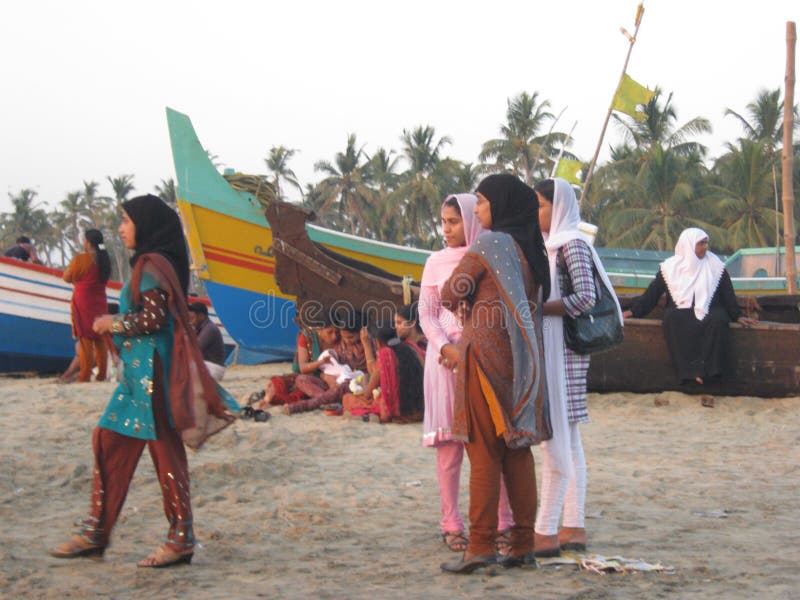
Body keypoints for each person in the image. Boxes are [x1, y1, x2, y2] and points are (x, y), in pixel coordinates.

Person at [50, 194, 236, 568]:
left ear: (145, 226)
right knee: (115, 440)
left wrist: (110, 323)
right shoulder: (154, 263)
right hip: (142, 375)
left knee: (157, 448)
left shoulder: (151, 266)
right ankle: (100, 531)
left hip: (152, 373)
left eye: (125, 221)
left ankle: (172, 537)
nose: (120, 229)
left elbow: (153, 320)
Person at [439, 174, 550, 573]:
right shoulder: (531, 249)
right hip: (521, 366)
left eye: (483, 203)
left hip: (484, 359)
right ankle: (522, 545)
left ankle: (481, 545)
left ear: (500, 206)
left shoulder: (490, 244)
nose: (478, 211)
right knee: (517, 453)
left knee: (483, 452)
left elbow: (451, 291)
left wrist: (465, 302)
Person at [418, 193, 515, 555]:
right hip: (444, 362)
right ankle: (451, 523)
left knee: (489, 443)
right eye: (443, 222)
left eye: (454, 221)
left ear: (471, 222)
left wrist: (472, 347)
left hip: (483, 357)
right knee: (449, 448)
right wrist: (446, 347)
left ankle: (502, 522)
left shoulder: (490, 257)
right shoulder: (435, 262)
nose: (446, 229)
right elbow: (426, 314)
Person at [532, 178, 623, 556]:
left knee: (559, 438)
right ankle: (574, 526)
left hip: (565, 349)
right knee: (569, 439)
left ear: (559, 207)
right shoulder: (554, 246)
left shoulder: (570, 244)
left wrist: (542, 309)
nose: (536, 213)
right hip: (559, 346)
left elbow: (585, 296)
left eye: (541, 205)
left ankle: (547, 530)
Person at [623, 227, 757, 384]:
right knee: (673, 318)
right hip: (680, 309)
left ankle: (711, 372)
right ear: (688, 245)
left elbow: (727, 294)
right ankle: (689, 372)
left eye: (706, 243)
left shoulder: (716, 266)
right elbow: (652, 295)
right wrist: (633, 312)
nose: (705, 247)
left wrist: (738, 315)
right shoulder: (670, 268)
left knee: (718, 320)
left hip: (710, 308)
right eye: (701, 244)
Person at [347, 323, 424, 422]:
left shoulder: (385, 355)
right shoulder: (410, 348)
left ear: (377, 342)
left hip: (399, 410)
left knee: (348, 399)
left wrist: (366, 345)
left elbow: (368, 392)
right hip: (420, 408)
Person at [285, 323, 367, 414]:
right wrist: (324, 374)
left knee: (341, 388)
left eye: (337, 332)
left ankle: (316, 403)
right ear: (319, 330)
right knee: (300, 379)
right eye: (330, 332)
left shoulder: (358, 342)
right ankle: (326, 400)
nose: (334, 336)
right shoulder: (309, 337)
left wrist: (366, 344)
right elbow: (303, 368)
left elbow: (359, 372)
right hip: (326, 382)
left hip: (346, 383)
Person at [63, 229, 111, 382]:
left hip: (83, 300)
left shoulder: (82, 259)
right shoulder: (105, 260)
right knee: (100, 337)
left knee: (85, 339)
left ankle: (85, 375)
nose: (83, 243)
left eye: (84, 240)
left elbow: (67, 277)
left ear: (89, 243)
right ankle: (101, 374)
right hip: (100, 300)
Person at [187, 301, 226, 381]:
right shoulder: (201, 328)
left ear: (201, 316)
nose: (192, 322)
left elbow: (195, 349)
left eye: (193, 318)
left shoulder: (209, 329)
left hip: (214, 368)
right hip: (208, 365)